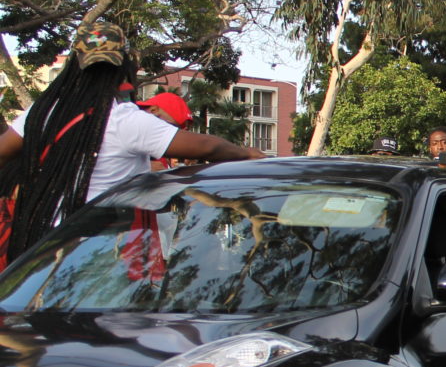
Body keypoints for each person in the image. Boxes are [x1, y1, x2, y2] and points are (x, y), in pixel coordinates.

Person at [0, 20, 264, 268]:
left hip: (41, 246)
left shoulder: (42, 113)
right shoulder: (121, 120)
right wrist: (247, 153)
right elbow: (208, 148)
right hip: (100, 249)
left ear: (74, 65)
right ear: (123, 68)